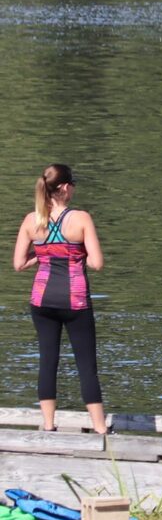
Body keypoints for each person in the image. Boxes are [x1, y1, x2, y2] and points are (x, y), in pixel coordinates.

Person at [12, 163, 107, 433]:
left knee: (47, 361)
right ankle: (100, 429)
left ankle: (48, 425)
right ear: (65, 188)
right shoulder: (81, 218)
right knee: (86, 366)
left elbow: (18, 264)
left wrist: (42, 253)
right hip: (75, 300)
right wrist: (76, 253)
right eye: (73, 185)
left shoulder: (31, 220)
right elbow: (97, 263)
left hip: (41, 301)